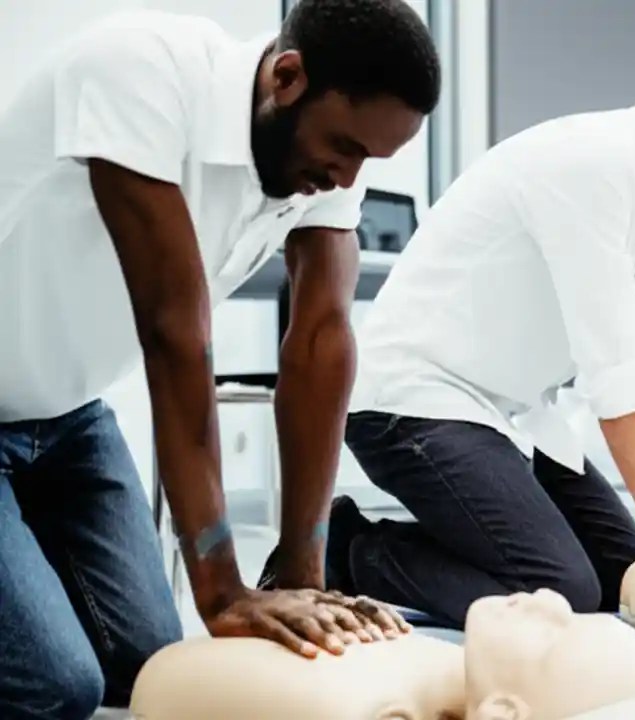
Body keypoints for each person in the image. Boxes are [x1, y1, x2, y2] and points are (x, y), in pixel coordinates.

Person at [294, 20, 635, 629]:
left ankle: (442, 546)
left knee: (622, 580)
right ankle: (351, 550)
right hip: (416, 401)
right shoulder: (594, 162)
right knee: (562, 592)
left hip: (510, 414)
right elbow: (613, 366)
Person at [0, 1, 440, 716]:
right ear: (287, 78)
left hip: (66, 418)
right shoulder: (137, 68)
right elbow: (175, 327)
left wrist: (302, 564)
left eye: (370, 160)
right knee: (55, 689)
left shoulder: (326, 168)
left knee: (153, 669)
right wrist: (223, 590)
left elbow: (322, 340)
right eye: (345, 147)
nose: (347, 175)